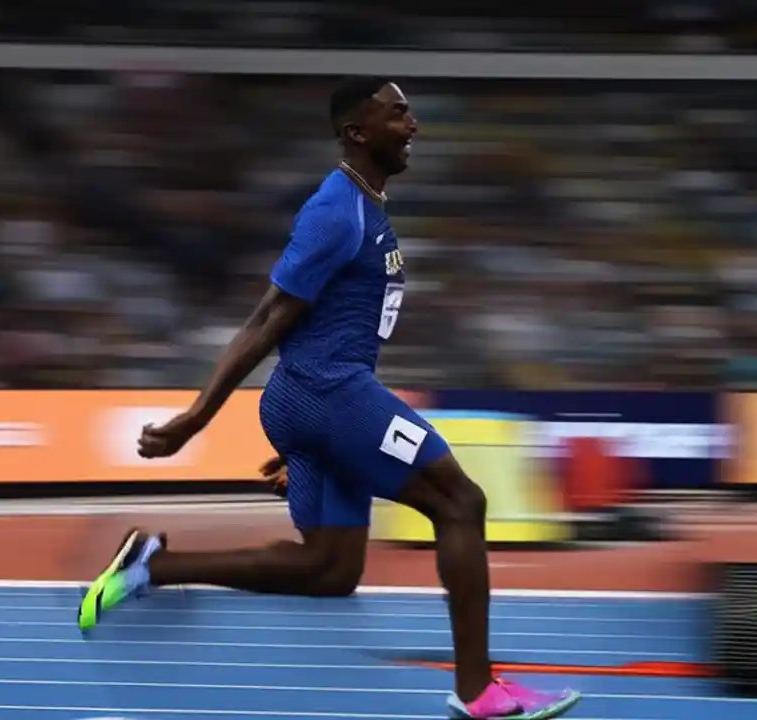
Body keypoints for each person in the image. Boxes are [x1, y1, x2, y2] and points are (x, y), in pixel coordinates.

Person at [75, 76, 582, 720]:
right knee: (462, 502)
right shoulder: (336, 210)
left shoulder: (366, 205)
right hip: (327, 391)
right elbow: (267, 319)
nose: (414, 125)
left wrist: (312, 436)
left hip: (318, 404)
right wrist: (195, 419)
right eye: (399, 114)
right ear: (358, 132)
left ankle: (154, 565)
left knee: (330, 569)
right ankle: (479, 690)